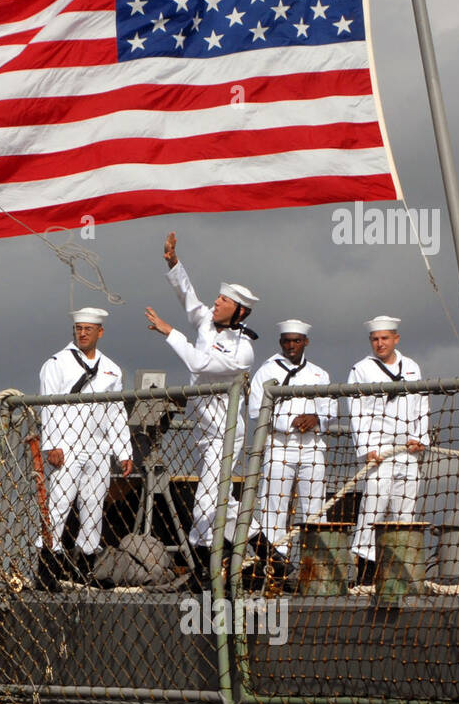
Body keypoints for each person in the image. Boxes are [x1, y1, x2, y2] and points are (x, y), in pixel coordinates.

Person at [144, 232, 257, 586]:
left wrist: (169, 332)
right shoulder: (207, 323)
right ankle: (264, 550)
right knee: (219, 505)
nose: (215, 303)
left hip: (226, 432)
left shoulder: (242, 351)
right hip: (204, 430)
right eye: (218, 297)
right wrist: (174, 263)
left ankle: (211, 568)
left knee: (208, 502)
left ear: (238, 311)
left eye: (223, 300)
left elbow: (202, 364)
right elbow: (188, 297)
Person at [36, 307, 134, 587]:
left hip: (98, 447)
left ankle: (85, 569)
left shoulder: (111, 369)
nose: (82, 333)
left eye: (88, 329)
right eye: (78, 329)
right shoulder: (57, 363)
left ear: (99, 332)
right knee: (58, 506)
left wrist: (123, 451)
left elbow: (116, 411)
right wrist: (52, 444)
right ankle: (46, 570)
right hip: (66, 443)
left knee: (93, 506)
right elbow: (49, 404)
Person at [247, 320, 334, 579]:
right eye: (287, 341)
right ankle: (277, 565)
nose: (292, 345)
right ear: (281, 343)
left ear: (305, 342)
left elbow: (330, 408)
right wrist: (288, 423)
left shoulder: (319, 374)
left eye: (297, 341)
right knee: (274, 506)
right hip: (280, 443)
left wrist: (316, 418)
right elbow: (255, 410)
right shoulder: (266, 371)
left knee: (315, 507)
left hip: (311, 446)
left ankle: (316, 567)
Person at [348, 316, 429, 584]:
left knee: (404, 512)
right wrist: (366, 448)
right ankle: (365, 574)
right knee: (372, 508)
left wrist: (421, 438)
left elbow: (421, 406)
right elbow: (356, 412)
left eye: (384, 338)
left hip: (407, 450)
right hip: (380, 450)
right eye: (375, 339)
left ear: (396, 339)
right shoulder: (361, 369)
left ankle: (399, 572)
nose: (379, 343)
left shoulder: (413, 368)